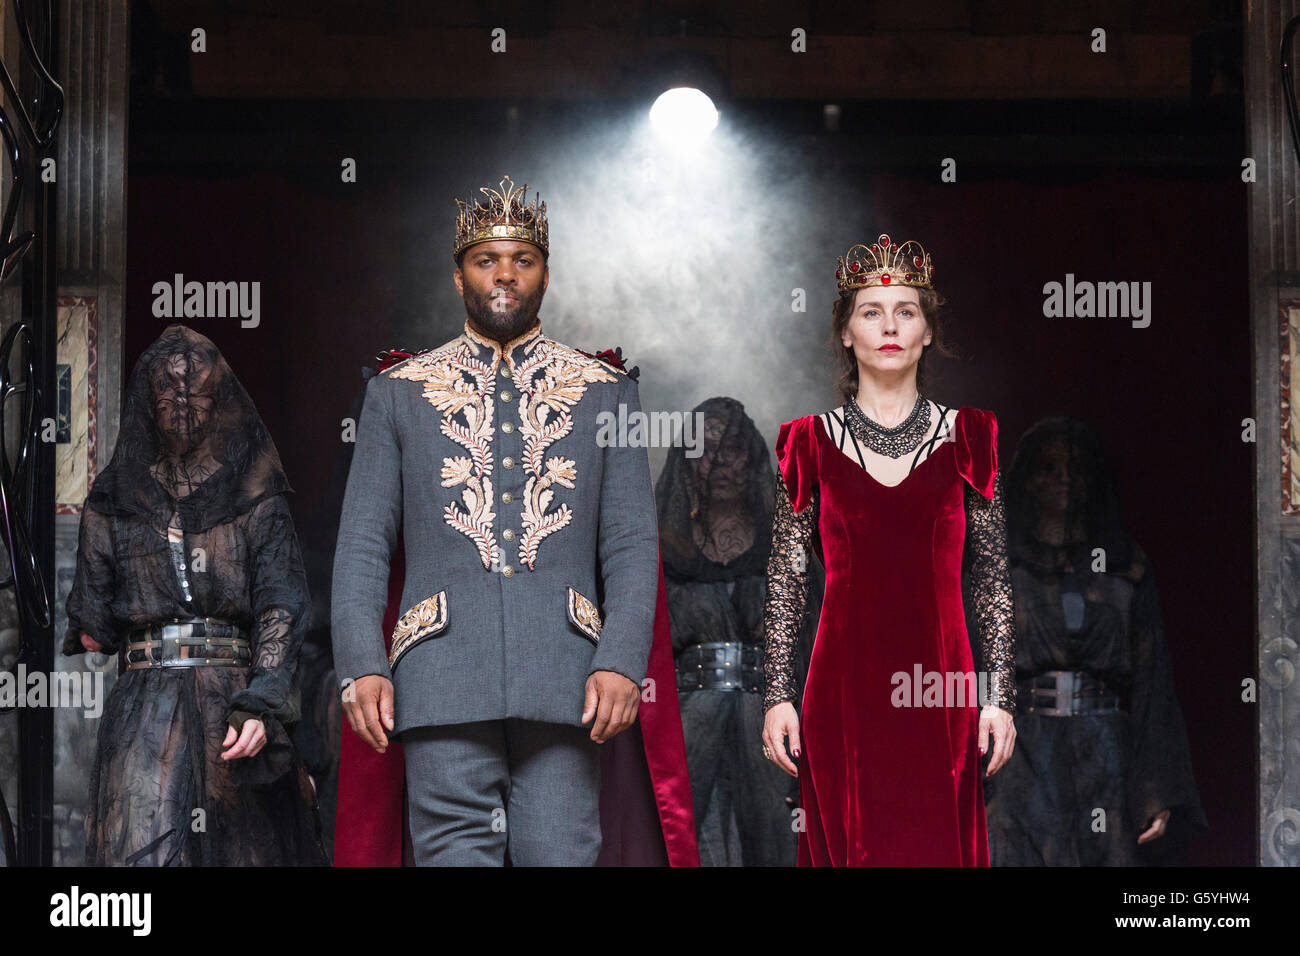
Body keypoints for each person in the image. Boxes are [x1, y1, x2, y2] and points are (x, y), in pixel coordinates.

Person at [331, 175, 661, 865]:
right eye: (486, 260)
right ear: (459, 277)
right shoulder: (397, 393)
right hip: (440, 675)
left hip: (568, 678)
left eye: (522, 259)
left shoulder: (608, 393)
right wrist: (361, 665)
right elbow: (364, 546)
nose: (504, 275)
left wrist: (624, 664)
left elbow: (631, 545)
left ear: (545, 272)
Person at [761, 233, 1017, 866]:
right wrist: (775, 695)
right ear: (845, 333)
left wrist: (1000, 696)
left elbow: (990, 581)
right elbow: (787, 580)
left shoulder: (970, 438)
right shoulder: (808, 444)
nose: (890, 326)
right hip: (843, 689)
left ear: (929, 330)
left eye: (907, 311)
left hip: (944, 689)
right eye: (871, 312)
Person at [63, 324, 325, 866]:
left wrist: (261, 702)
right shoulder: (114, 498)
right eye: (169, 393)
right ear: (149, 400)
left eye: (195, 393)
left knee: (240, 849)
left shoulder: (254, 491)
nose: (182, 405)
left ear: (219, 400)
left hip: (232, 707)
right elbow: (94, 630)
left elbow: (282, 602)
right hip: (151, 713)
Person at [981, 416, 1207, 865]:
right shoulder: (997, 569)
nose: (1064, 479)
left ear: (1092, 480)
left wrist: (1155, 788)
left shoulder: (1125, 567)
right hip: (1019, 754)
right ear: (1027, 480)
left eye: (1076, 468)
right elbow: (965, 666)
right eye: (1049, 468)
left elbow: (1153, 683)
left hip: (1104, 753)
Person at [658, 396, 819, 866]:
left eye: (732, 447)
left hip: (773, 724)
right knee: (690, 839)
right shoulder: (660, 551)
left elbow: (814, 648)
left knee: (776, 840)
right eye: (707, 449)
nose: (721, 461)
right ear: (687, 466)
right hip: (686, 727)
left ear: (752, 458)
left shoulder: (786, 548)